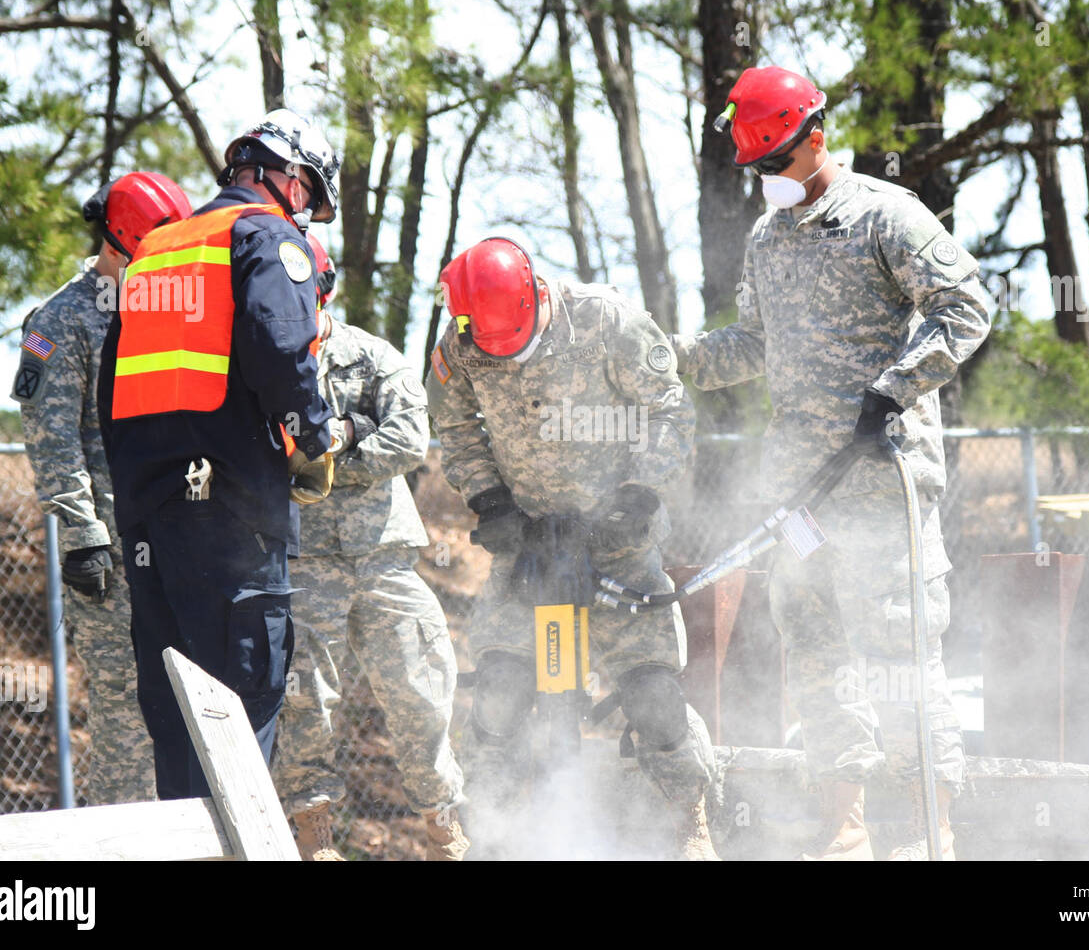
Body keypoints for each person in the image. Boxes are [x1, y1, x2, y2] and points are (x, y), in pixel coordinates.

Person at [677, 66, 993, 859]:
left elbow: (966, 307)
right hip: (804, 498)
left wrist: (893, 390)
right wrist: (672, 360)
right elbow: (754, 343)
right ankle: (844, 832)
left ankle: (930, 832)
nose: (766, 182)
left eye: (776, 162)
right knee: (816, 657)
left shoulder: (888, 218)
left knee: (903, 657)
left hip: (883, 485)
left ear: (815, 135)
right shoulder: (767, 238)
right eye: (754, 169)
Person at [426, 237, 719, 860]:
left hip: (617, 545)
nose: (500, 351)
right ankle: (493, 835)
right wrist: (491, 502)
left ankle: (689, 824)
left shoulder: (606, 320)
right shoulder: (460, 344)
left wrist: (638, 493)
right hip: (529, 550)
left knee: (653, 698)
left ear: (534, 294)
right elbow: (453, 427)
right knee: (502, 691)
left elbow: (669, 409)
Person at [97, 109, 341, 800]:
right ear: (291, 179)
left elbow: (111, 390)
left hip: (152, 522)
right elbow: (280, 349)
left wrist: (136, 499)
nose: (308, 218)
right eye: (311, 200)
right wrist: (312, 441)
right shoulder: (267, 236)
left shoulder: (157, 248)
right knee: (239, 708)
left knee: (176, 719)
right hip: (233, 522)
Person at [272, 234, 469, 861]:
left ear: (324, 289)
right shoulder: (257, 362)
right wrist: (330, 443)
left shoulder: (371, 356)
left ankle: (442, 827)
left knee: (422, 684)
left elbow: (412, 438)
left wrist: (330, 452)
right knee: (307, 699)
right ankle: (314, 833)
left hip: (383, 554)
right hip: (302, 559)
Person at [13, 172, 192, 804]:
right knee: (126, 715)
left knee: (192, 710)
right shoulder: (60, 319)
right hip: (111, 551)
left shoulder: (169, 305)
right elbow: (50, 436)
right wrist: (81, 535)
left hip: (176, 539)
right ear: (120, 244)